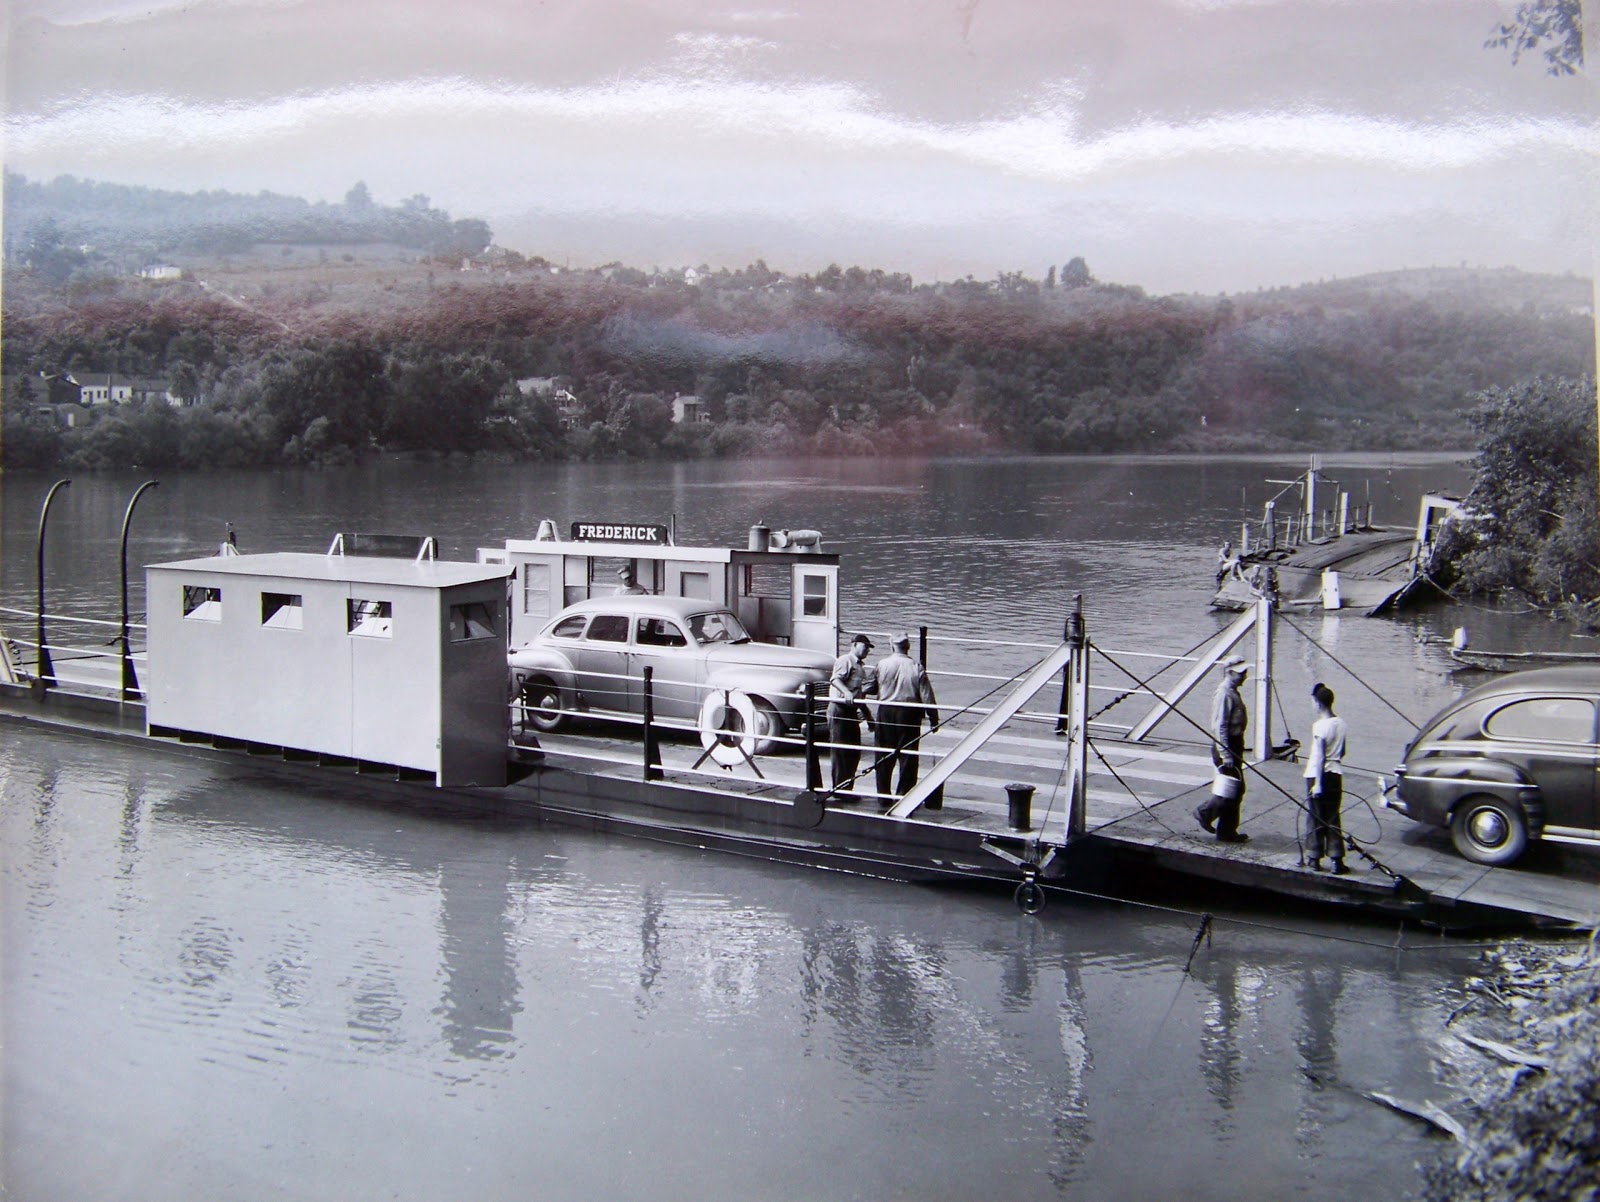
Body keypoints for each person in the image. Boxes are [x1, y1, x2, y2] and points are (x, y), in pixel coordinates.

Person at [873, 632, 939, 802]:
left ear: (891, 645)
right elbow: (927, 695)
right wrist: (933, 718)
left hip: (886, 711)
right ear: (908, 646)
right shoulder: (916, 667)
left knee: (883, 754)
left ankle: (883, 795)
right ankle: (903, 795)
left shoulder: (881, 664)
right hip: (909, 713)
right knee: (908, 756)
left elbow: (869, 687)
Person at [1196, 654, 1250, 843]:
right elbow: (1220, 727)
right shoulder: (1224, 693)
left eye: (1245, 672)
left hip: (1235, 744)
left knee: (1236, 790)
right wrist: (1225, 754)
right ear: (1229, 672)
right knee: (1231, 789)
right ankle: (1205, 813)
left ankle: (1226, 831)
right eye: (1241, 673)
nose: (1244, 676)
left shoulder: (1232, 691)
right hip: (1227, 746)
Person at [1303, 682, 1349, 873]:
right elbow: (1343, 751)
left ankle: (1314, 858)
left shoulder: (1319, 726)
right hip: (1336, 774)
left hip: (1317, 775)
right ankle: (1337, 860)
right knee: (1333, 816)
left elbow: (1320, 756)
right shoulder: (1341, 723)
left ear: (1318, 703)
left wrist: (1318, 784)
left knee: (1315, 816)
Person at [827, 634, 877, 793]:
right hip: (839, 709)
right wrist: (846, 692)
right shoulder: (845, 660)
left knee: (853, 751)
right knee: (841, 752)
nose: (867, 650)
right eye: (865, 646)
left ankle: (847, 788)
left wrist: (868, 717)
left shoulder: (860, 667)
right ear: (854, 645)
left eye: (868, 648)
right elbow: (835, 679)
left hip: (851, 711)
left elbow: (859, 694)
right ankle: (839, 790)